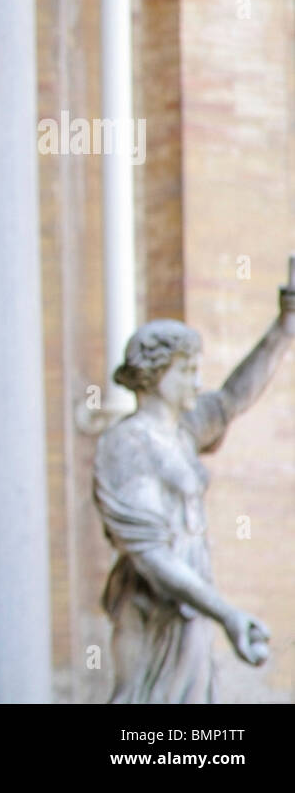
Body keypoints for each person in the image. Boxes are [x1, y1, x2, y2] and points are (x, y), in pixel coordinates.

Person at [95, 276, 295, 703]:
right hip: (153, 606)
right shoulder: (127, 444)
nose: (197, 381)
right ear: (154, 375)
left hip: (191, 604)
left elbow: (233, 398)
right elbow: (151, 557)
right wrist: (226, 613)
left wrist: (283, 329)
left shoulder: (182, 432)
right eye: (186, 370)